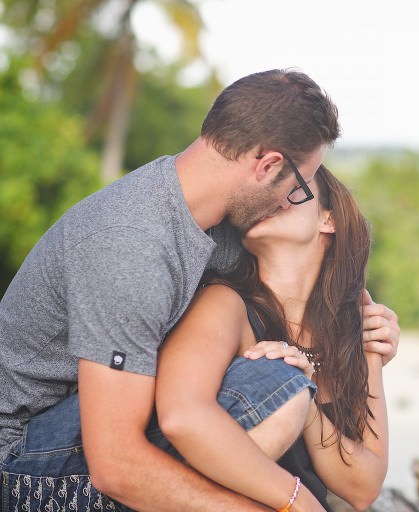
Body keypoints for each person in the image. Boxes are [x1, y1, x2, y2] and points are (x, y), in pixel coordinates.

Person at [0, 69, 349, 511]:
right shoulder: (131, 245)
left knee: (274, 382)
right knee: (272, 391)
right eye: (297, 187)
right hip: (19, 461)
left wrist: (371, 322)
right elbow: (116, 465)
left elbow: (297, 274)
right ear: (267, 166)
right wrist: (292, 504)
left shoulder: (215, 224)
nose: (287, 203)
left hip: (91, 428)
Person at [155, 165, 394, 511]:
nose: (271, 196)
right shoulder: (224, 304)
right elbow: (179, 423)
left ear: (328, 219)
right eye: (265, 187)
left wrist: (307, 405)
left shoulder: (357, 328)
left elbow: (364, 487)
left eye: (292, 188)